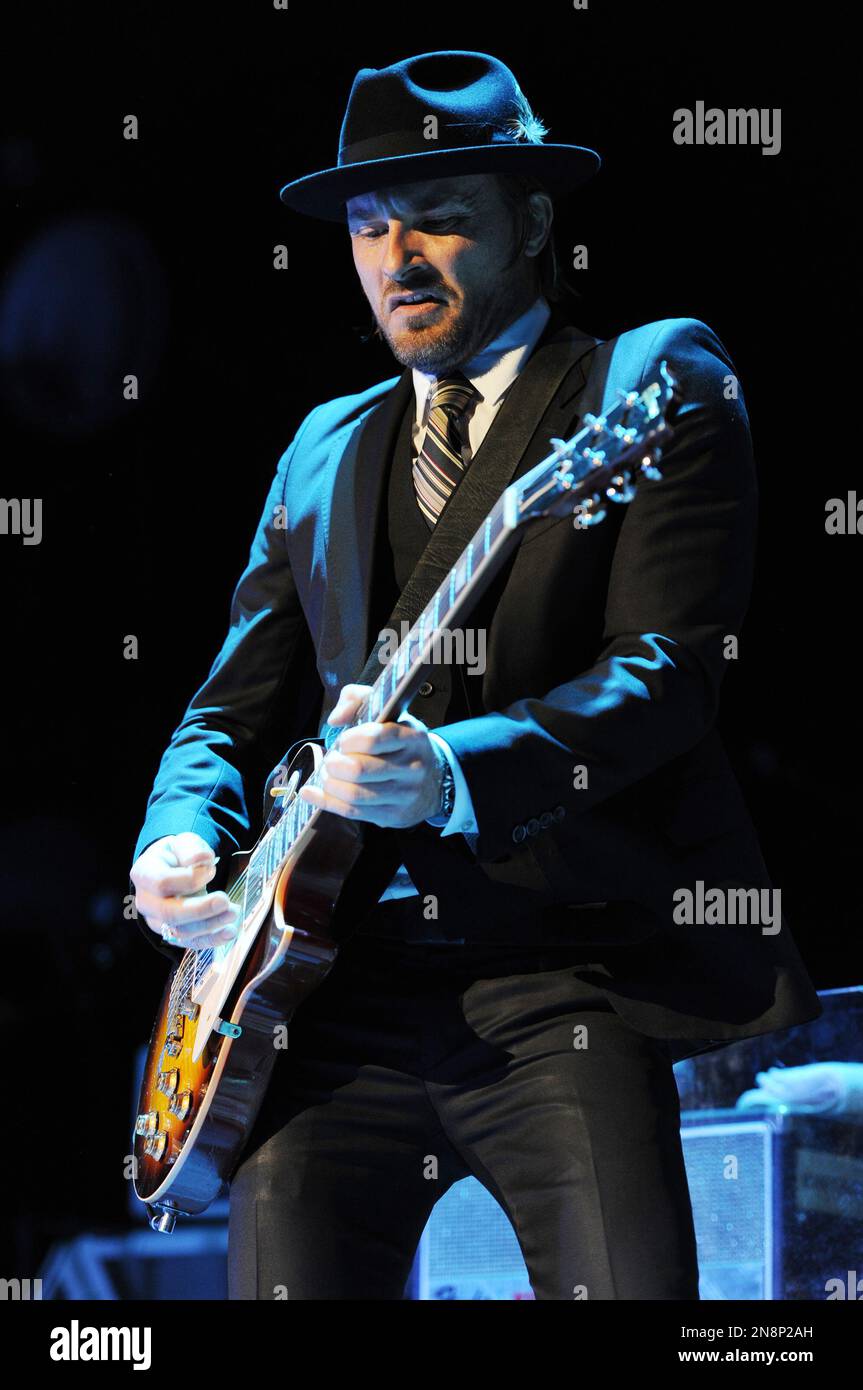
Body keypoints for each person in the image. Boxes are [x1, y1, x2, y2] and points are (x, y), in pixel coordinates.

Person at [130, 50, 821, 1300]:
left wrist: (451, 772)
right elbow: (226, 707)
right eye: (368, 224)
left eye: (441, 217)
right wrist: (176, 836)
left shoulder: (645, 382)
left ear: (534, 220)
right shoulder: (321, 446)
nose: (398, 256)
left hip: (561, 978)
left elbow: (668, 676)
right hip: (327, 997)